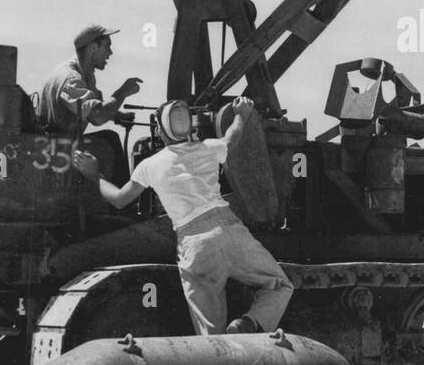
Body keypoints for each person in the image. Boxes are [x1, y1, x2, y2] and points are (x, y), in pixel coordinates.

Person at [72, 97, 294, 336]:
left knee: (211, 334)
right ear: (189, 126)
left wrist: (96, 175)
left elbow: (118, 199)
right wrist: (242, 114)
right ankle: (248, 324)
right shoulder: (208, 148)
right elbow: (233, 137)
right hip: (231, 231)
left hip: (195, 244)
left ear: (159, 129)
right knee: (280, 285)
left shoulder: (151, 165)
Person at [36, 25, 142, 139]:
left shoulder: (86, 74)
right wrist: (122, 92)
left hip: (62, 144)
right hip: (54, 148)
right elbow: (97, 116)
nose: (110, 52)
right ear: (93, 48)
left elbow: (95, 107)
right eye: (107, 46)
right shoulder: (71, 79)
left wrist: (118, 117)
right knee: (110, 139)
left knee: (109, 138)